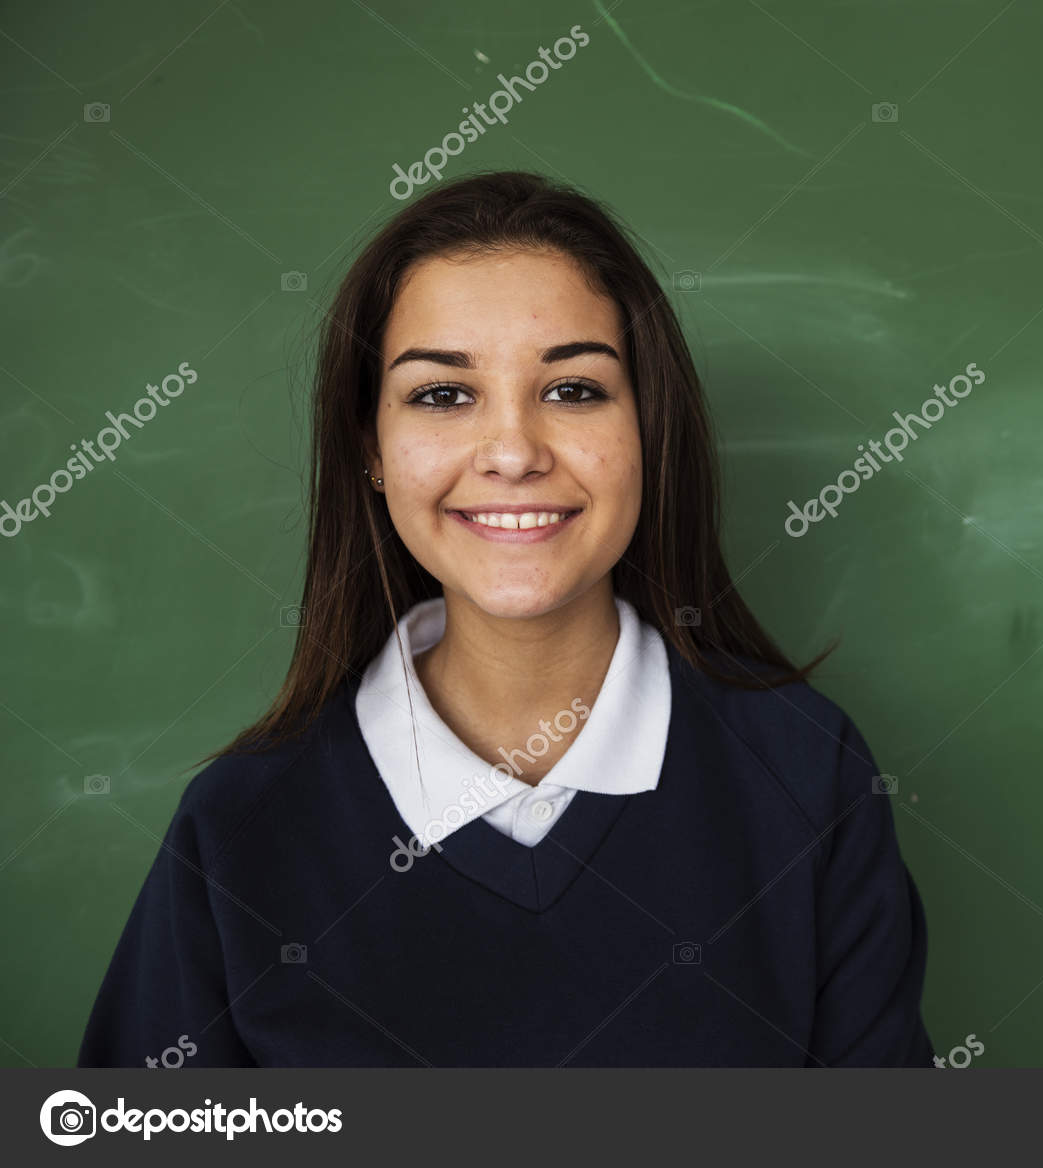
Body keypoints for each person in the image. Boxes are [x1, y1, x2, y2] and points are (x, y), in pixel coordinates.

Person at [78, 171, 934, 1067]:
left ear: (649, 429)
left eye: (572, 390)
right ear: (371, 449)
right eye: (442, 395)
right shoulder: (242, 828)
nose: (515, 454)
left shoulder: (804, 774)